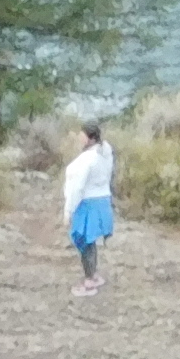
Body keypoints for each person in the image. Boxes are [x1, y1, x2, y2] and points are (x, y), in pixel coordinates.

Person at [62, 123, 115, 294]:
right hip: (101, 200)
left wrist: (68, 210)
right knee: (89, 241)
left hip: (88, 203)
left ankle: (89, 280)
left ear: (91, 138)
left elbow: (77, 187)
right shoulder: (104, 153)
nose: (79, 138)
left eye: (82, 135)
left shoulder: (88, 159)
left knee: (85, 241)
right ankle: (93, 275)